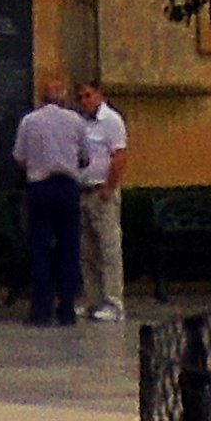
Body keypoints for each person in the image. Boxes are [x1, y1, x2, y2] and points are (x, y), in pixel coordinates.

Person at [10, 72, 94, 328]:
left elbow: (19, 158)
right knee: (69, 248)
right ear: (64, 96)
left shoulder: (29, 121)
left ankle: (41, 310)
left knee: (40, 249)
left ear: (41, 95)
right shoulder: (76, 121)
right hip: (67, 187)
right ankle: (67, 308)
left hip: (39, 188)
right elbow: (85, 157)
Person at [74, 76, 131, 322]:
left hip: (102, 192)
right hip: (83, 190)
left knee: (108, 248)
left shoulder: (111, 121)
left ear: (99, 95)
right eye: (81, 97)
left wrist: (109, 187)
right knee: (87, 250)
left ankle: (113, 301)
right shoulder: (81, 124)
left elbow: (119, 156)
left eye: (88, 95)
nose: (84, 101)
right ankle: (93, 299)